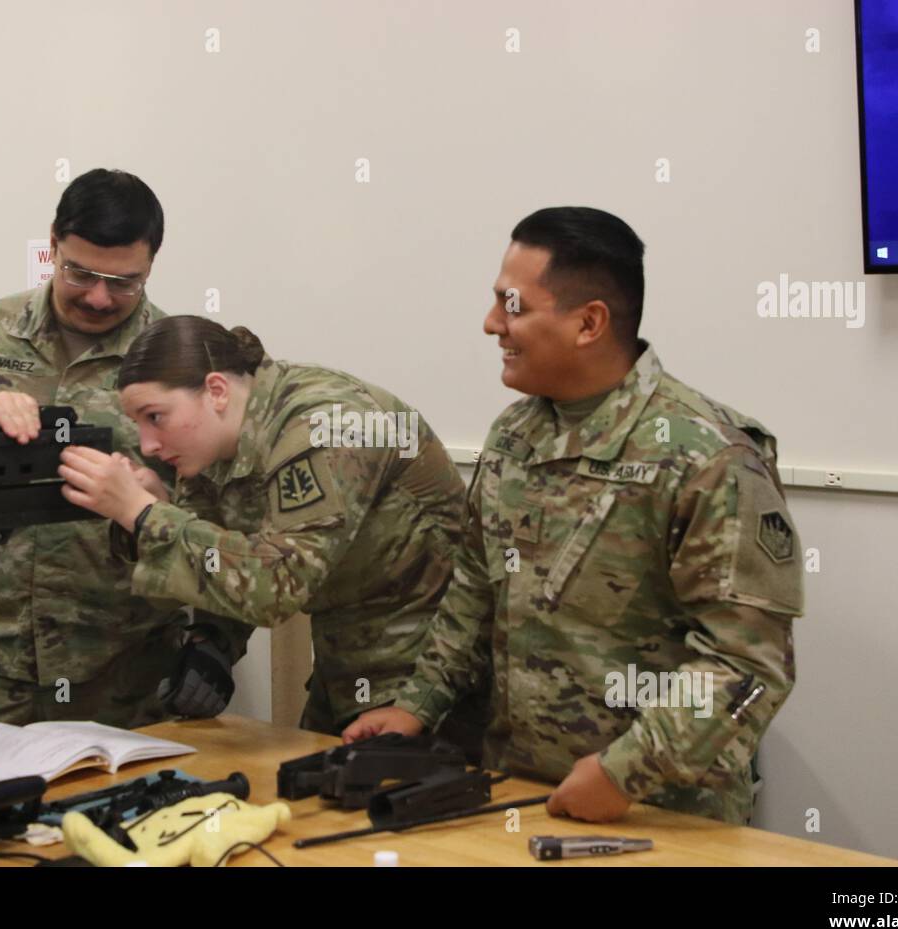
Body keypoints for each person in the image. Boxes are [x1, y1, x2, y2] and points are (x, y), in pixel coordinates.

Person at [342, 207, 802, 825]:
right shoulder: (515, 434)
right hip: (518, 793)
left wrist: (626, 771)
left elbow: (746, 666)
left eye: (513, 306)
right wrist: (418, 706)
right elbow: (476, 590)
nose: (490, 324)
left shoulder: (706, 455)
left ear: (589, 322)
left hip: (658, 811)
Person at [57, 315, 488, 743]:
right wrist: (213, 641)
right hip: (346, 667)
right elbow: (225, 551)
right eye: (138, 424)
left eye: (155, 417)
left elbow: (278, 584)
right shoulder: (214, 441)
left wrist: (146, 514)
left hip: (428, 683)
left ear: (216, 391)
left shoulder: (326, 425)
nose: (148, 444)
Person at [0, 169, 197, 755]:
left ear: (153, 266)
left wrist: (219, 645)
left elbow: (229, 516)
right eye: (81, 273)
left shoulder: (184, 365)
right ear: (52, 245)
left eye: (124, 283)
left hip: (125, 666)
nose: (99, 297)